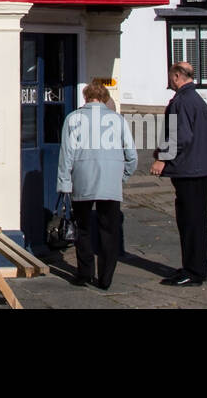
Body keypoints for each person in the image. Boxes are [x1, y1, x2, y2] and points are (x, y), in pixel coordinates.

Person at [57, 79, 137, 289]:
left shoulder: (73, 119)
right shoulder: (118, 120)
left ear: (85, 97)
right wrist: (122, 177)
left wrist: (65, 183)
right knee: (109, 229)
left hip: (83, 178)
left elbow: (67, 154)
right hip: (110, 180)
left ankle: (84, 274)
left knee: (83, 228)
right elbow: (132, 156)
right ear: (104, 98)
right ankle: (106, 278)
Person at [152, 61, 207, 286]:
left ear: (177, 76)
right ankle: (199, 267)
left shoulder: (182, 101)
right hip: (201, 168)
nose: (169, 81)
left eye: (171, 76)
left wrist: (162, 159)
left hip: (189, 171)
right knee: (198, 221)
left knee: (189, 222)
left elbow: (182, 137)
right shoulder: (198, 101)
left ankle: (193, 271)